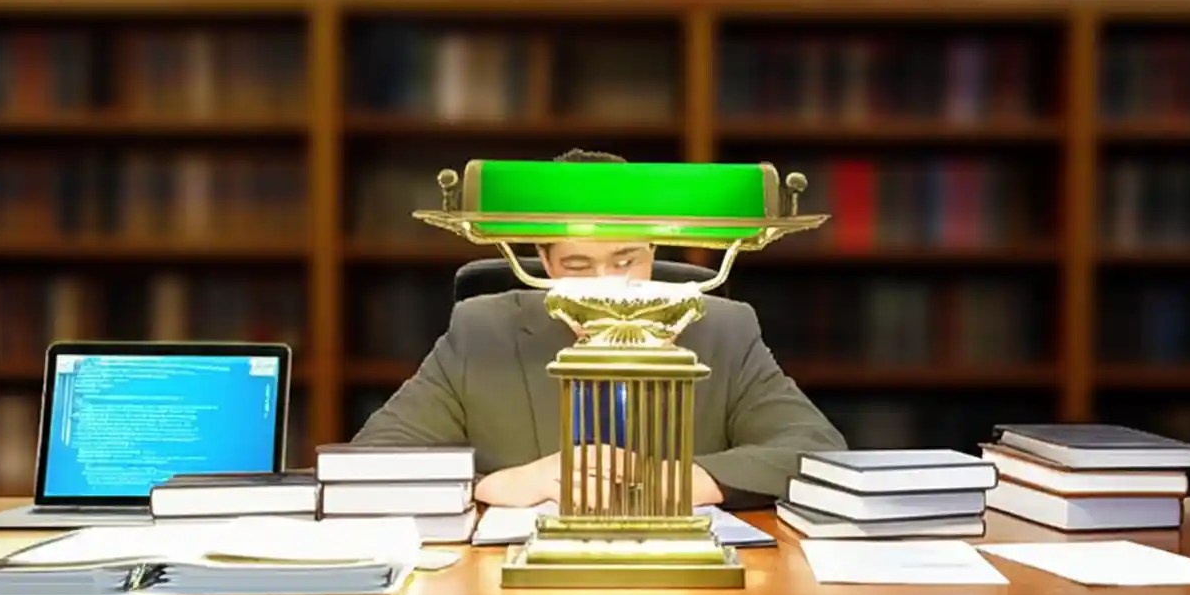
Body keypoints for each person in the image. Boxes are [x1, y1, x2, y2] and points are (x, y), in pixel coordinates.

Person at [351, 148, 846, 510]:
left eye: (626, 260)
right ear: (542, 260)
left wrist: (696, 480)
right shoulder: (482, 331)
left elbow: (816, 451)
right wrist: (490, 484)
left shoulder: (725, 330)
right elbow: (373, 461)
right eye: (578, 265)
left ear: (654, 249)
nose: (607, 285)